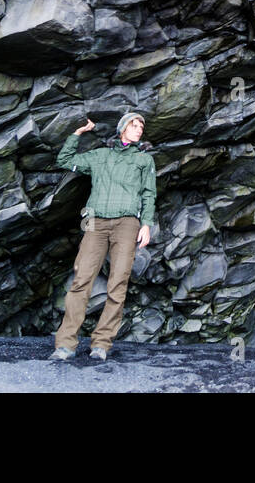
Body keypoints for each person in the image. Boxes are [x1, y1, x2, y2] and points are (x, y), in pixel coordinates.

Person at [48, 111, 155, 362]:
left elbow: (149, 194)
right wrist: (78, 133)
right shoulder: (99, 156)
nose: (139, 128)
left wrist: (146, 224)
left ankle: (102, 344)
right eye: (134, 124)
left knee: (118, 284)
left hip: (128, 224)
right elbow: (65, 159)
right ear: (122, 129)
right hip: (95, 223)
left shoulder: (144, 160)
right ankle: (65, 345)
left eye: (141, 125)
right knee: (81, 280)